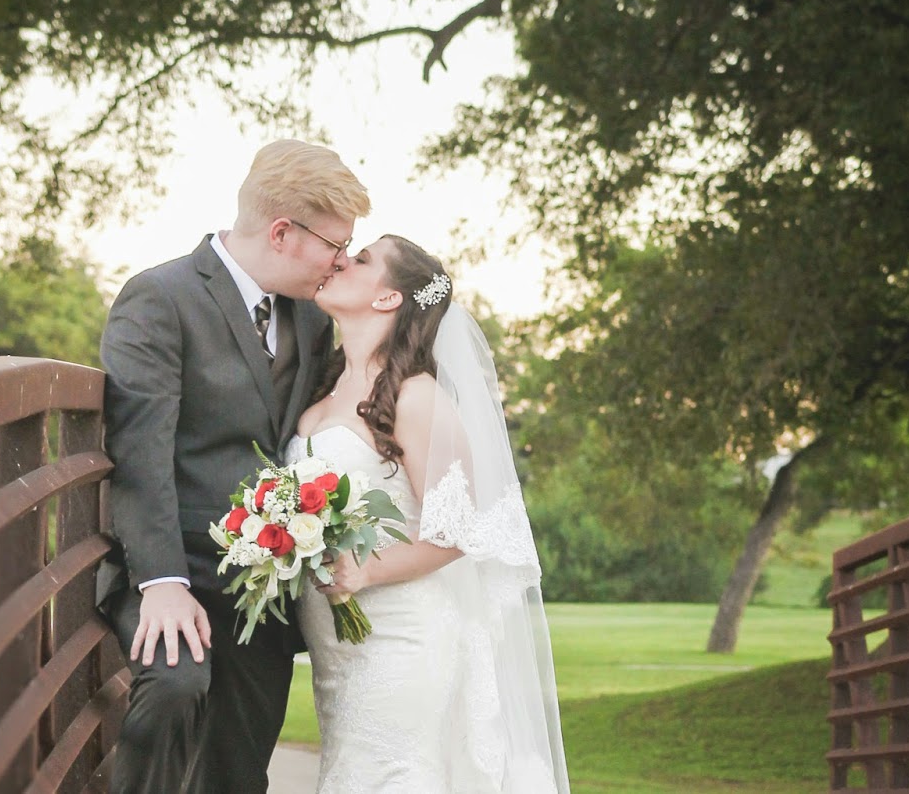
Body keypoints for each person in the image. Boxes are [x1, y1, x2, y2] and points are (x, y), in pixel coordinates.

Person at [97, 139, 370, 794]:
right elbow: (140, 451)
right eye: (337, 243)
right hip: (171, 570)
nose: (341, 261)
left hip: (263, 590)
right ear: (283, 232)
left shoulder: (309, 318)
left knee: (240, 770)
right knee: (173, 688)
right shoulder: (160, 297)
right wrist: (159, 581)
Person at [287, 235, 571, 793]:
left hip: (402, 638)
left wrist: (365, 571)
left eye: (362, 259)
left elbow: (457, 535)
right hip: (337, 650)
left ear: (390, 299)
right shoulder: (326, 387)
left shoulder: (417, 398)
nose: (342, 259)